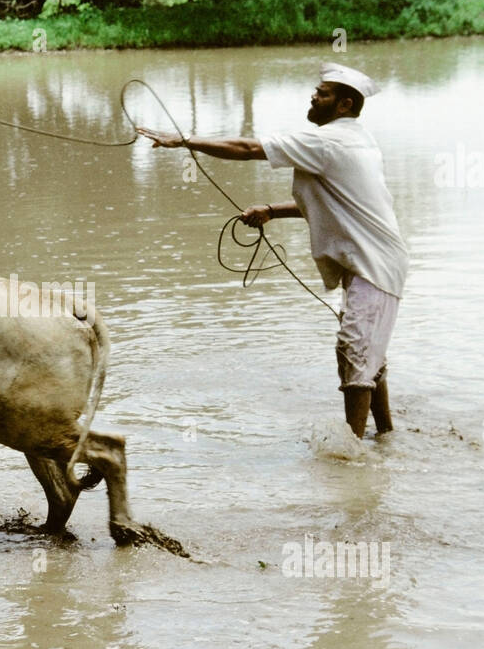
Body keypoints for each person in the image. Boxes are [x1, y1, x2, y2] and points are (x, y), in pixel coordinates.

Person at [137, 63, 408, 438]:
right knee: (365, 349)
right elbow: (339, 204)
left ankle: (354, 455)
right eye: (316, 90)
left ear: (344, 104)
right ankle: (386, 436)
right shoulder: (357, 139)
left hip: (373, 263)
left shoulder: (328, 142)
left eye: (324, 93)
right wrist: (271, 211)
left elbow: (248, 148)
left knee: (355, 348)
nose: (313, 96)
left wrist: (184, 141)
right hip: (374, 260)